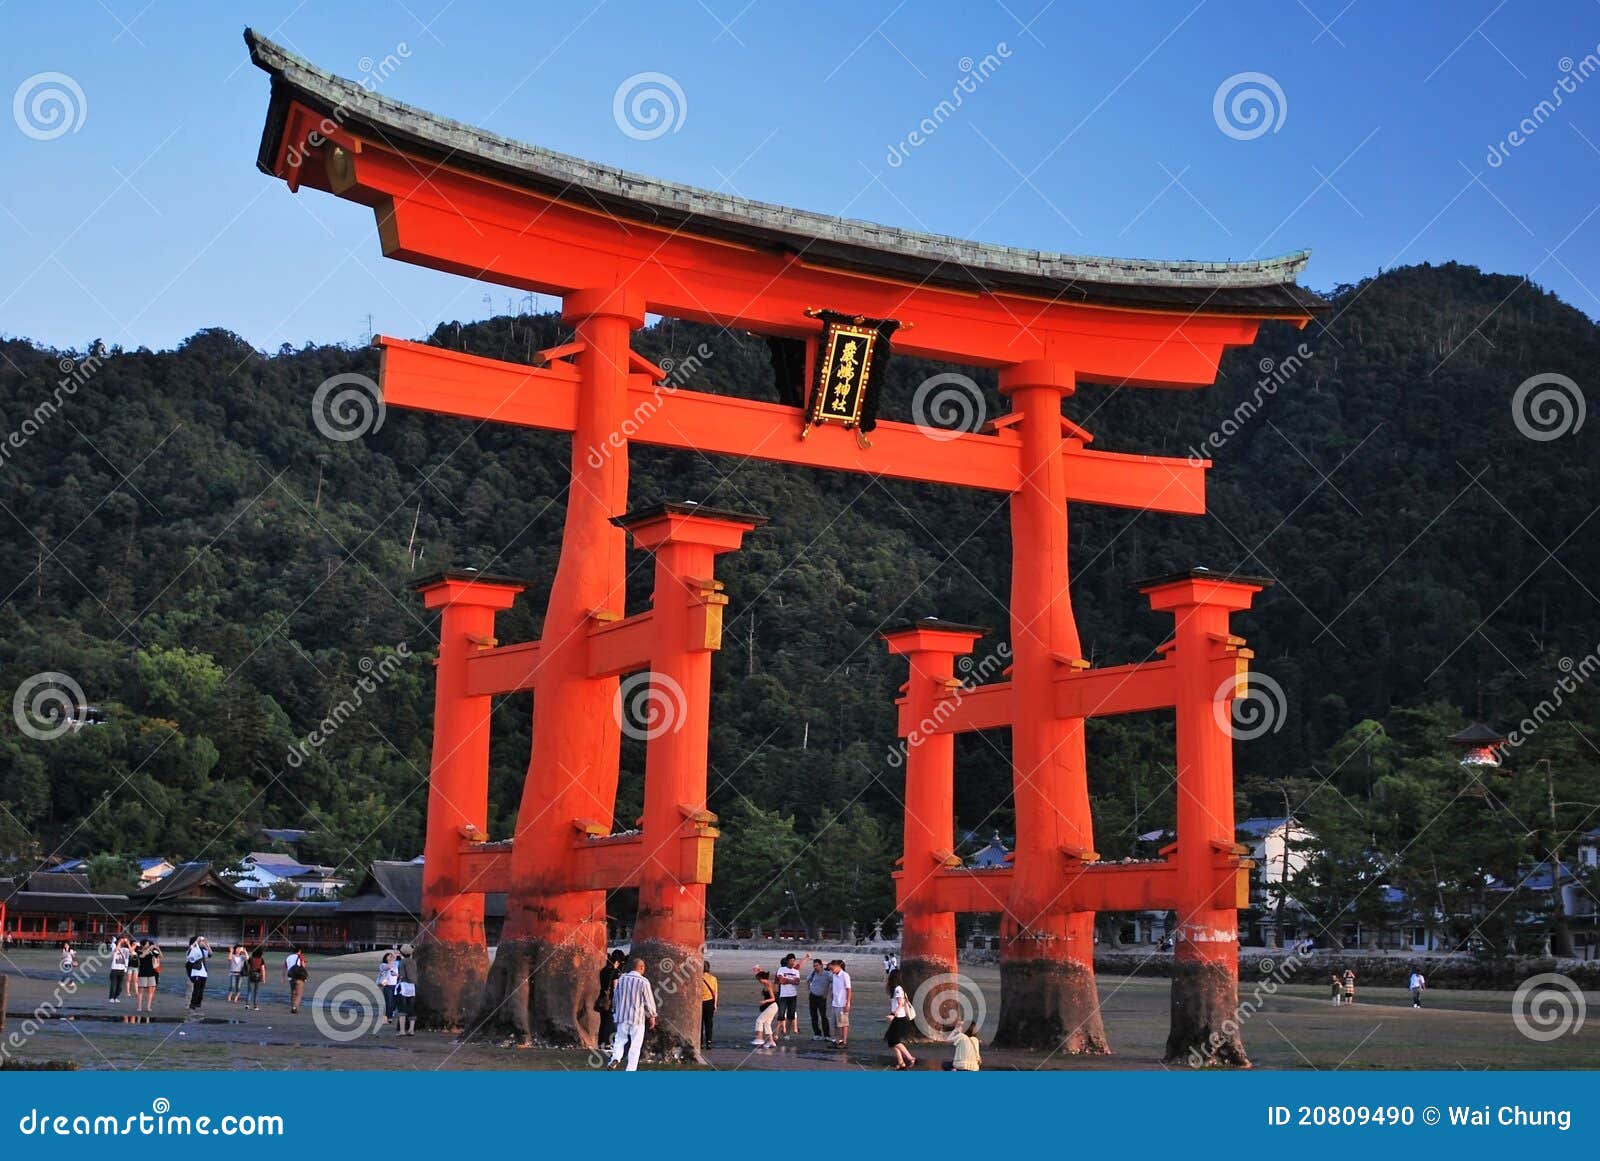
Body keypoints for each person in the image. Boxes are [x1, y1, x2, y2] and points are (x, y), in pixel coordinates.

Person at [606, 958, 657, 1071]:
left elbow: (616, 996)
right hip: (637, 1018)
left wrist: (615, 1010)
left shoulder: (622, 979)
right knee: (635, 1045)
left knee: (619, 1040)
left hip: (622, 1016)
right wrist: (652, 1016)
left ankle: (616, 1058)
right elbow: (649, 1000)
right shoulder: (644, 982)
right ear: (641, 967)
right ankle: (630, 1069)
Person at [884, 968, 917, 1069]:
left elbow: (900, 1004)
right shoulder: (898, 988)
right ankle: (901, 1063)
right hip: (898, 1016)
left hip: (899, 1017)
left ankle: (910, 1058)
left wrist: (893, 1015)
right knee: (893, 1040)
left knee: (894, 1040)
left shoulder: (898, 989)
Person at [596, 948, 625, 1050]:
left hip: (602, 997)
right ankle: (608, 1042)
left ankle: (600, 1042)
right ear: (617, 961)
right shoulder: (615, 972)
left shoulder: (603, 970)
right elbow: (615, 987)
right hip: (610, 999)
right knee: (610, 1021)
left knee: (603, 1021)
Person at [751, 968, 779, 1048]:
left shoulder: (768, 984)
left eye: (759, 980)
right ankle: (771, 1041)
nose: (759, 981)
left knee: (759, 1021)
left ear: (761, 978)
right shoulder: (767, 983)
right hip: (772, 1006)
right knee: (767, 1023)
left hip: (772, 1006)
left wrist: (765, 1001)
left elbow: (773, 998)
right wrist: (758, 970)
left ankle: (759, 1038)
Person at [775, 953, 802, 1036]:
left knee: (791, 1015)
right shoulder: (781, 969)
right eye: (791, 961)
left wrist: (787, 980)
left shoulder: (796, 971)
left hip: (793, 995)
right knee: (781, 1015)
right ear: (787, 961)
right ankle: (776, 1034)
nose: (792, 962)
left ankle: (787, 1033)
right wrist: (791, 981)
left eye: (794, 961)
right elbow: (781, 981)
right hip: (783, 996)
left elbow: (797, 982)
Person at [393, 944, 417, 1035]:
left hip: (403, 986)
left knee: (402, 1008)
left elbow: (402, 975)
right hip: (413, 986)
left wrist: (396, 975)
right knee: (411, 1008)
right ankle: (411, 1030)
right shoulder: (414, 962)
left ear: (401, 952)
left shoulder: (402, 962)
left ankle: (402, 1030)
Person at [827, 959, 852, 1047]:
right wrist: (831, 994)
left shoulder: (845, 975)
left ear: (838, 967)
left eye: (833, 967)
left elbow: (849, 989)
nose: (831, 969)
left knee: (844, 1023)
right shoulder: (834, 975)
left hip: (842, 1003)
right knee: (835, 1024)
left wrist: (847, 1003)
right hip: (835, 1003)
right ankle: (838, 1040)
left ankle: (844, 1041)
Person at [806, 957, 831, 1041]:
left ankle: (827, 1035)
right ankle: (817, 1033)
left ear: (821, 965)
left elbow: (833, 983)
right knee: (814, 1016)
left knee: (823, 1016)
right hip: (813, 996)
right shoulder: (813, 973)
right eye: (814, 966)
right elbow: (807, 980)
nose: (815, 967)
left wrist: (826, 992)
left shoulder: (827, 974)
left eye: (816, 966)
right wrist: (809, 988)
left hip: (821, 997)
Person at [185, 935, 211, 1012]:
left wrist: (207, 944)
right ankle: (192, 1005)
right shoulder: (193, 949)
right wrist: (197, 941)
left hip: (203, 973)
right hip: (195, 972)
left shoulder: (202, 950)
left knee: (201, 990)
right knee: (195, 990)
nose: (202, 942)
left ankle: (197, 1004)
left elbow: (210, 954)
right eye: (201, 941)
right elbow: (190, 950)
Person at [135, 940, 161, 1014]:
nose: (148, 945)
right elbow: (142, 956)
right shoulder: (139, 951)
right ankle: (139, 1007)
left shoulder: (151, 952)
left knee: (150, 992)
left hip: (151, 973)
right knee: (141, 992)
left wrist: (158, 949)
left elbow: (160, 956)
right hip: (143, 973)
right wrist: (149, 949)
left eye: (149, 944)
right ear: (143, 945)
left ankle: (148, 1007)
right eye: (147, 944)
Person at [700, 960, 718, 1049]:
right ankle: (709, 1042)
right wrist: (715, 1004)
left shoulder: (698, 977)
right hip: (710, 1002)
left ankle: (700, 1043)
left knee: (700, 1023)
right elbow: (715, 993)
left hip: (700, 1002)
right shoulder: (713, 978)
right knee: (709, 1023)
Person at [285, 946, 309, 1012]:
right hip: (299, 976)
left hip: (291, 976)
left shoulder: (288, 957)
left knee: (293, 992)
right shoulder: (300, 956)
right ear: (300, 950)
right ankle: (295, 1007)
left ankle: (293, 1006)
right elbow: (303, 966)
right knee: (299, 994)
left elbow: (286, 967)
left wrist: (283, 977)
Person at [378, 951, 399, 1023]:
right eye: (389, 956)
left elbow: (398, 972)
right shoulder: (382, 965)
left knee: (394, 1003)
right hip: (387, 986)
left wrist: (397, 955)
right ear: (385, 958)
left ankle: (389, 1016)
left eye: (391, 956)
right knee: (388, 1003)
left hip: (395, 986)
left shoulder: (395, 964)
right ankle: (388, 1018)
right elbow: (389, 967)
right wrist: (393, 958)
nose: (390, 957)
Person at [108, 937, 130, 1003]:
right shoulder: (114, 946)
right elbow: (115, 951)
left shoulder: (126, 949)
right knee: (113, 985)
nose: (123, 942)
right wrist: (119, 942)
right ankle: (111, 997)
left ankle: (116, 997)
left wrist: (128, 943)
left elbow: (131, 951)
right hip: (114, 969)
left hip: (122, 969)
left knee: (120, 986)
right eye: (121, 940)